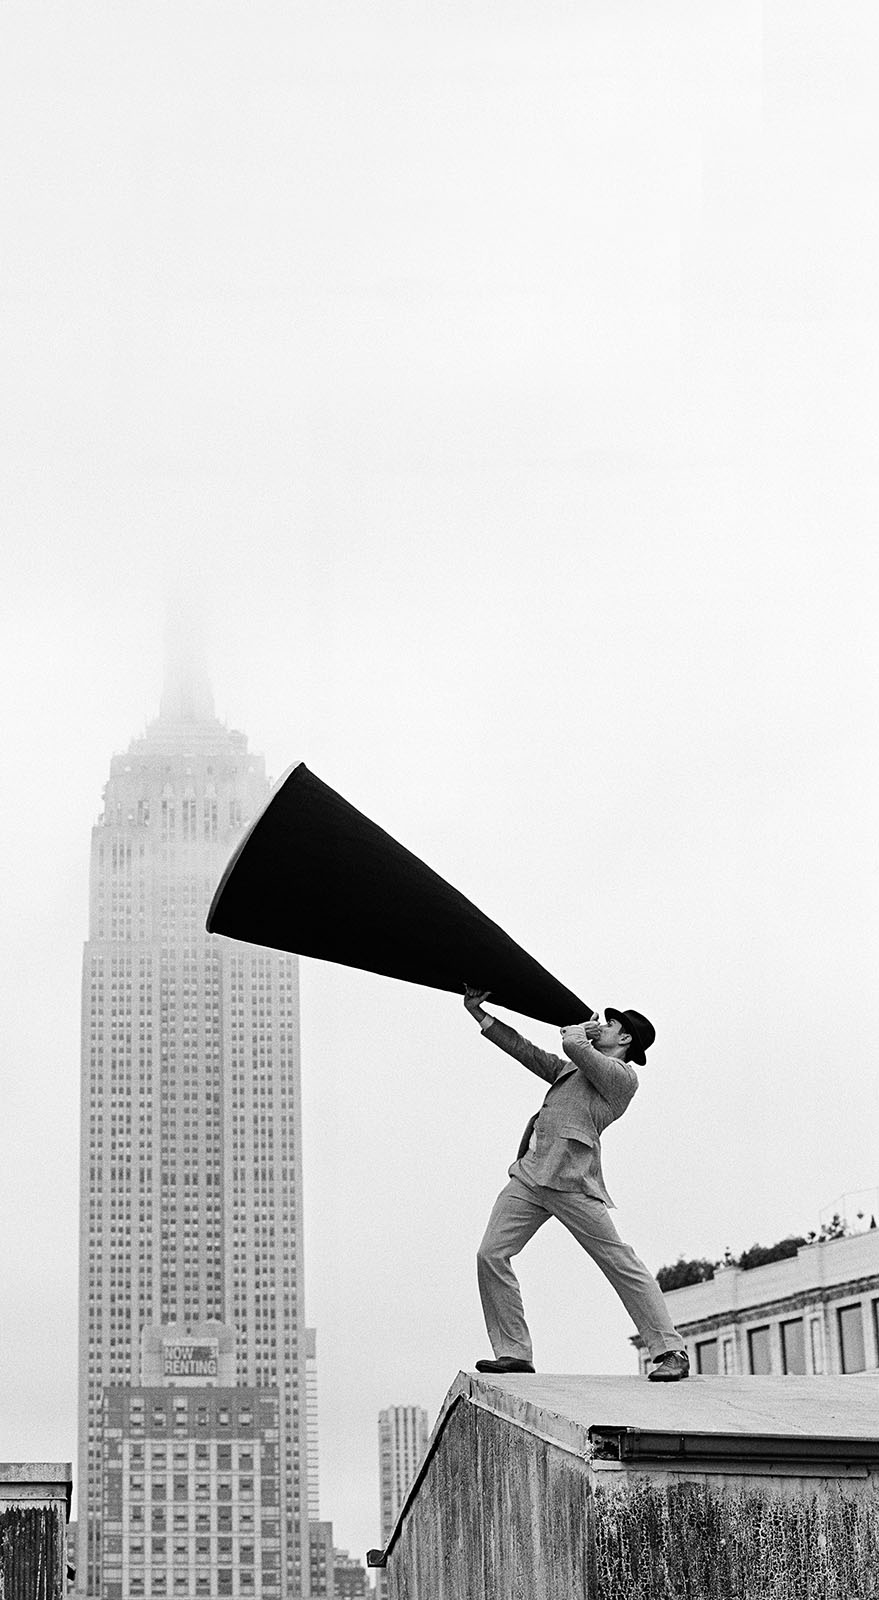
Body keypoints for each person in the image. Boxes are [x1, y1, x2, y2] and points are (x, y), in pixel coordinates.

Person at [464, 987, 689, 1382]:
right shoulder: (574, 1067)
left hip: (572, 1182)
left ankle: (670, 1349)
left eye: (610, 1023)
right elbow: (527, 1051)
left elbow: (574, 1044)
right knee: (490, 1254)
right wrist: (480, 1014)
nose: (600, 1024)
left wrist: (578, 1033)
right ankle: (514, 1352)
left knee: (619, 1261)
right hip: (531, 1175)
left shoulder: (621, 1078)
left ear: (624, 1039)